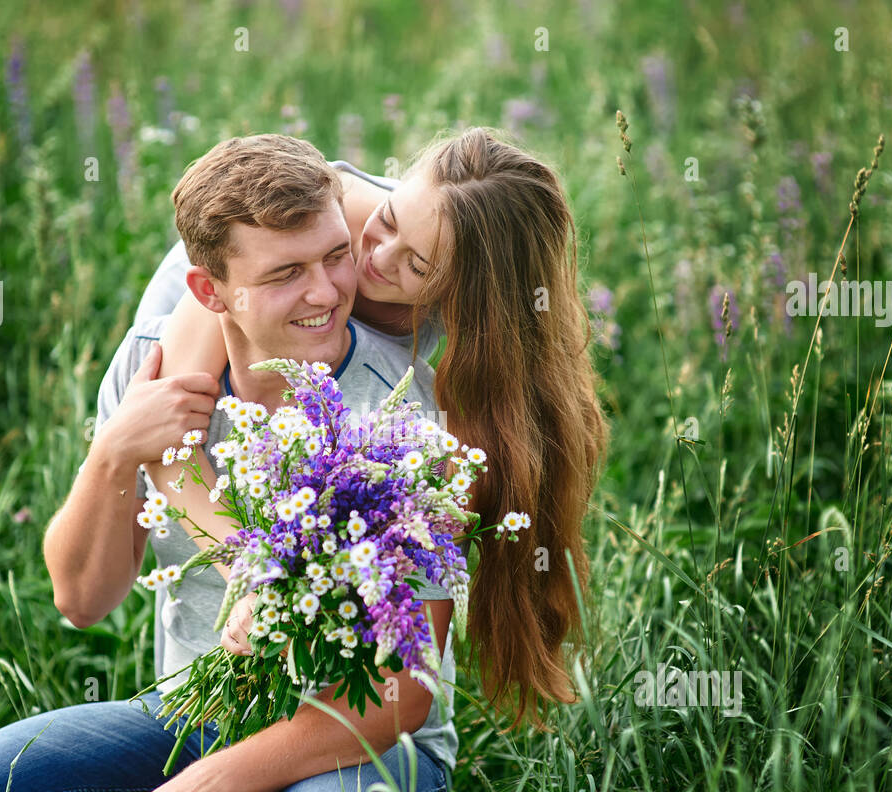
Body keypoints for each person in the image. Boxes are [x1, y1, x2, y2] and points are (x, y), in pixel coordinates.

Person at [0, 134, 456, 792]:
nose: (326, 291)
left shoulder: (400, 412)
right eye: (287, 272)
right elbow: (80, 599)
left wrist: (201, 788)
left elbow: (402, 697)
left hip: (354, 742)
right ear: (209, 290)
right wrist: (112, 456)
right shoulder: (155, 371)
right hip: (198, 715)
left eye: (334, 256)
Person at [145, 125, 609, 732]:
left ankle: (325, 728)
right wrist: (254, 568)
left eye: (417, 265)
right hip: (229, 296)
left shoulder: (465, 348)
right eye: (387, 222)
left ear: (464, 301)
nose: (370, 261)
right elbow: (170, 449)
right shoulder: (323, 232)